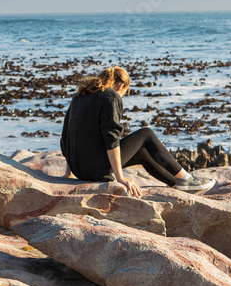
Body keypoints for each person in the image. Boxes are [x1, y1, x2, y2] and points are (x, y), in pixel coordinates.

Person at [60, 66, 214, 196]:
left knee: (141, 153)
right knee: (146, 134)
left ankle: (178, 185)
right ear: (121, 86)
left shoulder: (81, 94)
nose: (122, 97)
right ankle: (185, 177)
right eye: (124, 93)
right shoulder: (111, 96)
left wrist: (70, 172)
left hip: (79, 169)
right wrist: (120, 178)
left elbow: (67, 133)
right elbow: (111, 138)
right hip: (94, 170)